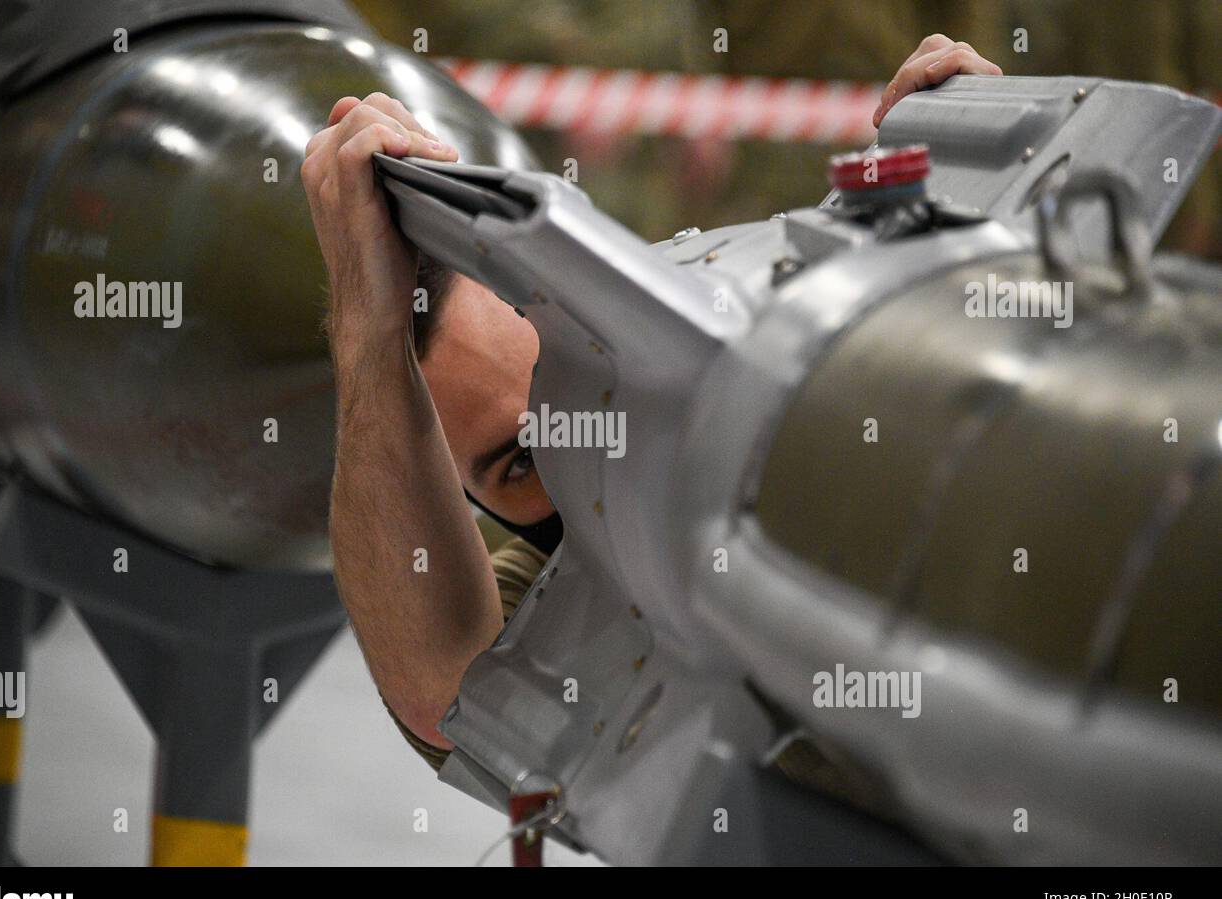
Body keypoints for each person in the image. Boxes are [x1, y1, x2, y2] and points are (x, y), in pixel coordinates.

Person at [301, 35, 1003, 777]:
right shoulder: (561, 593)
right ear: (475, 507)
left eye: (580, 377)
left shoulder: (814, 388)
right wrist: (365, 329)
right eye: (525, 461)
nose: (587, 445)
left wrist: (975, 179)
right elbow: (442, 695)